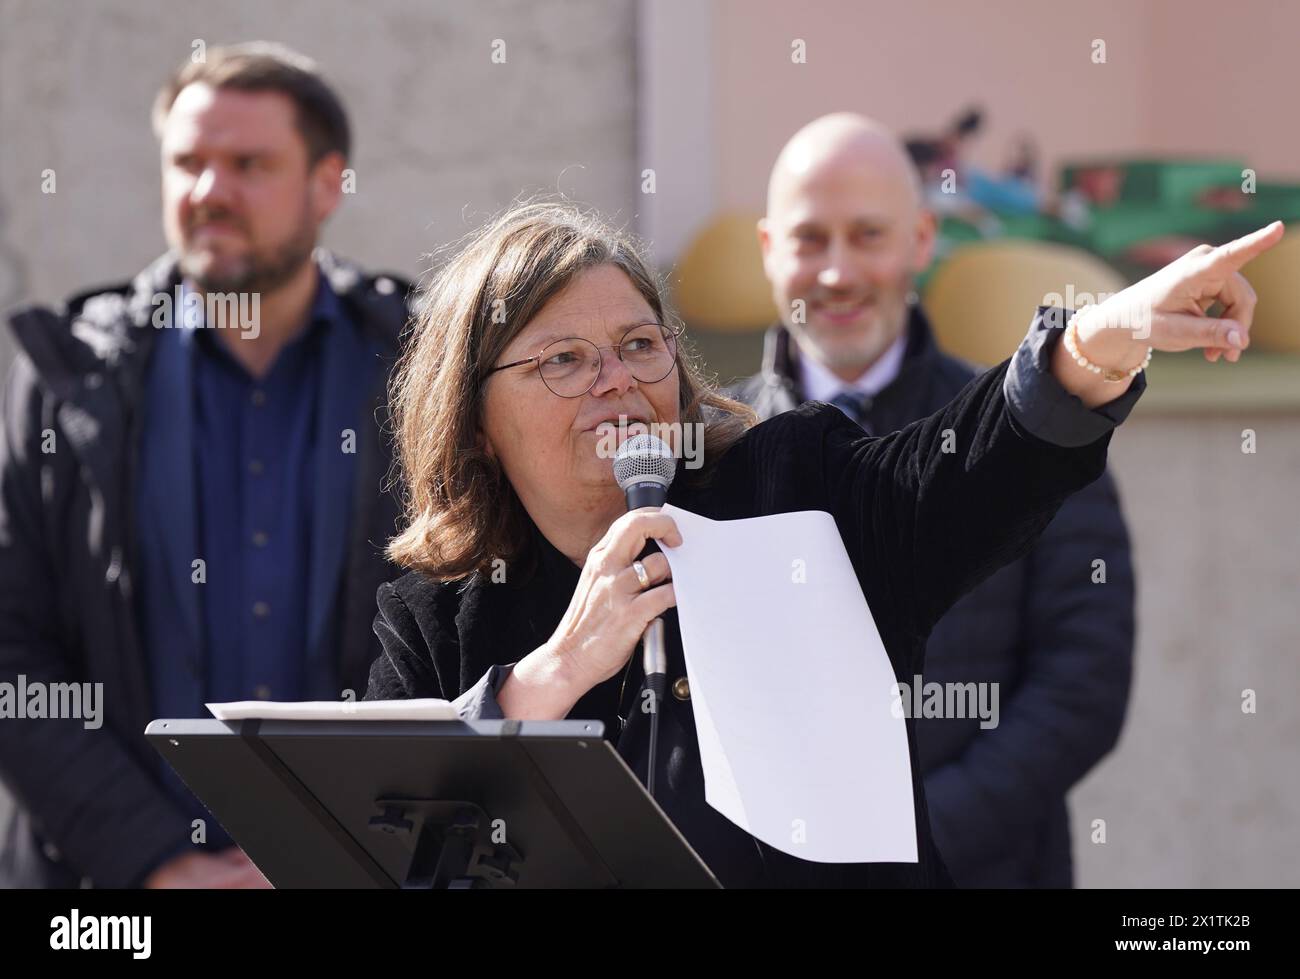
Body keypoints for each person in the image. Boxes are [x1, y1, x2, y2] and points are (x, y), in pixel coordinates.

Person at [364, 198, 1279, 888]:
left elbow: (966, 470)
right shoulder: (436, 619)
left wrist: (1096, 342)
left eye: (640, 344)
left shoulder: (791, 493)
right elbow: (385, 842)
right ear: (475, 418)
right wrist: (549, 678)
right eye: (563, 359)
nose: (617, 381)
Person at [0, 43, 412, 888]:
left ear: (327, 184)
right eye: (187, 163)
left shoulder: (423, 369)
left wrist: (348, 849)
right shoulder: (70, 375)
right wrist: (156, 858)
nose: (208, 192)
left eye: (249, 164)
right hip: (114, 896)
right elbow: (12, 650)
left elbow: (471, 631)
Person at [730, 112, 1134, 887]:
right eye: (811, 239)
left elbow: (1083, 684)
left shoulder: (1034, 432)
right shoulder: (710, 450)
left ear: (921, 240)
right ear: (769, 249)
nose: (838, 273)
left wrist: (905, 847)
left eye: (868, 235)